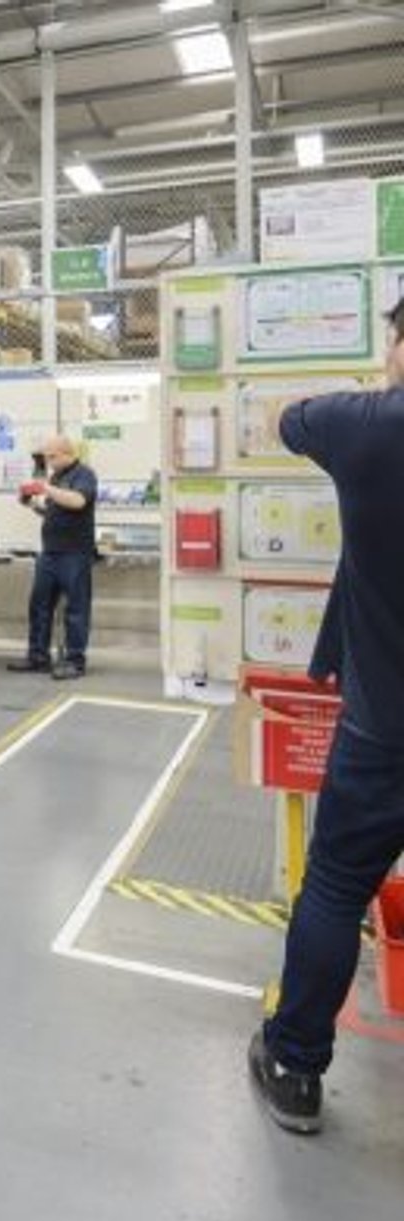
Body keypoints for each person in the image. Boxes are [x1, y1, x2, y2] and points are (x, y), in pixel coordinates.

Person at [249, 297, 404, 1134]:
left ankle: (295, 1065)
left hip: (384, 729)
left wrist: (365, 388)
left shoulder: (363, 425)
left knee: (338, 887)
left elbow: (285, 416)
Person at [7, 435, 98, 680]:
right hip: (49, 553)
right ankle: (38, 657)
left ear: (68, 453)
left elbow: (78, 501)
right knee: (39, 606)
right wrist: (32, 505)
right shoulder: (57, 477)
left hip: (75, 554)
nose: (48, 462)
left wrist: (45, 488)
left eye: (52, 457)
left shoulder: (84, 474)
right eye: (46, 457)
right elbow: (54, 511)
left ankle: (75, 662)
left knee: (76, 610)